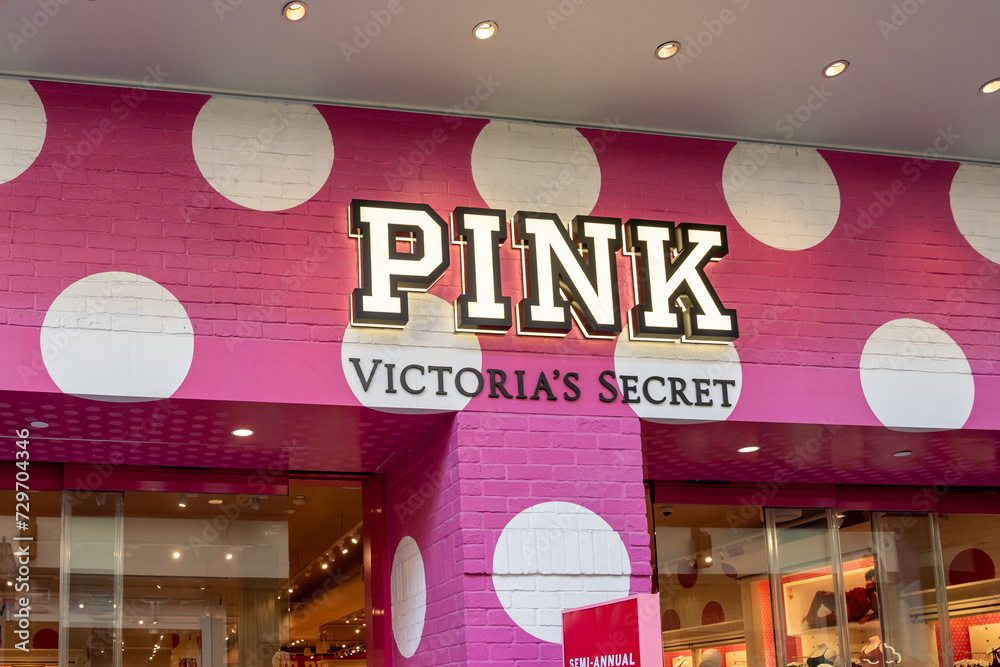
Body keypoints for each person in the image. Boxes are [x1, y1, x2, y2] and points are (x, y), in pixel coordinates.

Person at [801, 569, 878, 628]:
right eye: (868, 579)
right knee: (820, 594)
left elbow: (879, 613)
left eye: (872, 581)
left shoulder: (873, 598)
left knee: (814, 623)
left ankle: (810, 619)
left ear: (875, 585)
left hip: (843, 616)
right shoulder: (859, 590)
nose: (868, 582)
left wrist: (868, 617)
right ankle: (809, 617)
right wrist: (832, 593)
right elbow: (845, 595)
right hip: (841, 605)